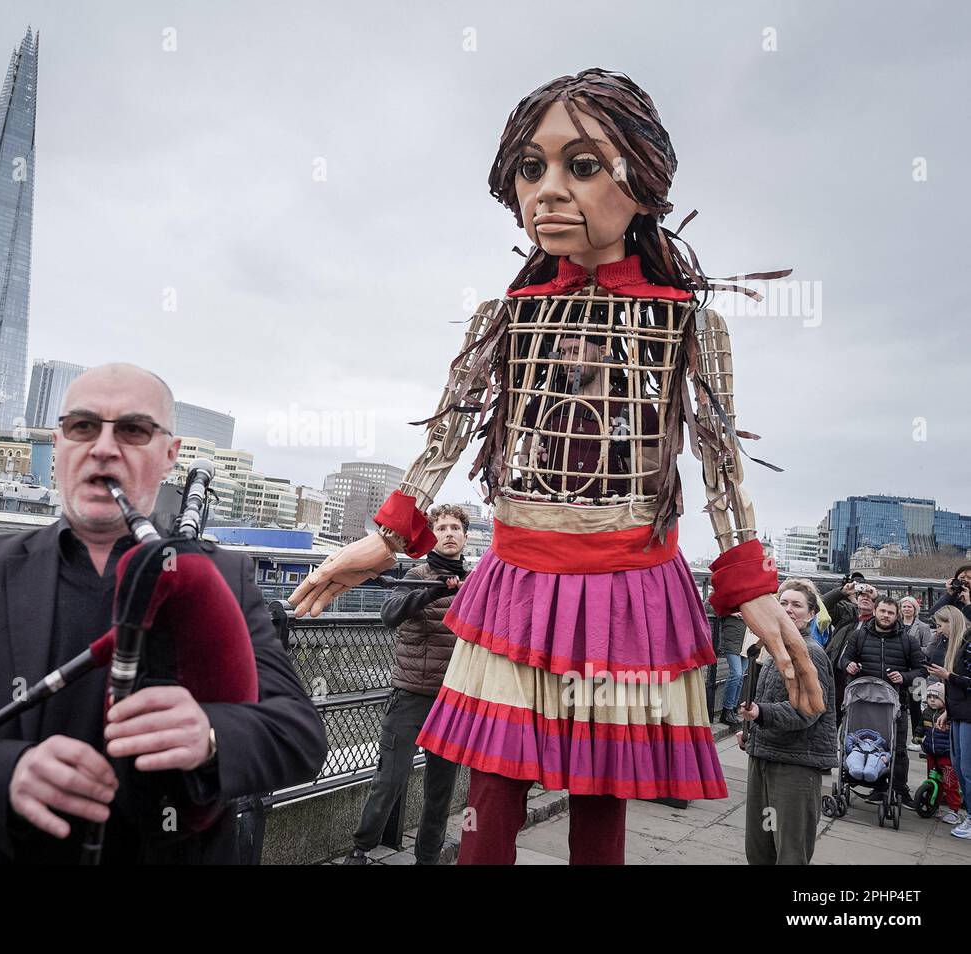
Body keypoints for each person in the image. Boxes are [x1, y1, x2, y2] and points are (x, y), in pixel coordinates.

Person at [290, 68, 823, 866]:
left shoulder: (686, 323)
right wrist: (388, 538)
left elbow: (718, 457)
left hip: (628, 583)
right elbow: (448, 434)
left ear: (641, 180)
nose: (547, 190)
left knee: (600, 794)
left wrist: (748, 582)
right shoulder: (503, 315)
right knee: (491, 789)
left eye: (582, 165)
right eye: (531, 168)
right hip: (519, 573)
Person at [0, 363, 327, 863]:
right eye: (82, 427)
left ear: (169, 456)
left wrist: (209, 736)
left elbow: (296, 735)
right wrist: (8, 775)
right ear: (59, 446)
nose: (103, 447)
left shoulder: (222, 575)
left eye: (133, 430)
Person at [344, 505, 468, 865]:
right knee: (389, 782)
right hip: (410, 697)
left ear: (464, 535)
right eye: (441, 527)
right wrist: (430, 591)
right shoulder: (416, 573)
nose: (448, 533)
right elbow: (389, 615)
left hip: (450, 704)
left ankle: (427, 858)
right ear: (433, 534)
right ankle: (360, 851)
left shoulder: (474, 583)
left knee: (439, 793)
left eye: (455, 527)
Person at [737, 580, 836, 864]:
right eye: (783, 603)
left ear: (812, 613)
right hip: (764, 757)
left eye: (796, 605)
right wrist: (752, 730)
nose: (788, 609)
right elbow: (766, 700)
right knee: (760, 850)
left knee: (790, 852)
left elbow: (808, 710)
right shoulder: (774, 649)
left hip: (794, 767)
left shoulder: (810, 652)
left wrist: (761, 713)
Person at [838, 596, 928, 807]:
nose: (886, 616)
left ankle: (898, 788)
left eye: (890, 613)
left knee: (897, 749)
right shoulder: (859, 636)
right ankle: (877, 787)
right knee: (863, 744)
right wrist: (849, 665)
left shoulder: (908, 641)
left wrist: (904, 677)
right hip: (863, 701)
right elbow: (844, 659)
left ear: (896, 615)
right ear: (876, 611)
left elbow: (921, 670)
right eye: (883, 611)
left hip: (895, 702)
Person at [927, 604, 971, 837]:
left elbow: (966, 682)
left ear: (951, 623)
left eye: (941, 624)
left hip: (967, 715)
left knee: (966, 767)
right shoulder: (952, 646)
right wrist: (948, 712)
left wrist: (948, 676)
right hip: (958, 713)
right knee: (959, 764)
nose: (938, 629)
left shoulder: (966, 645)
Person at [823, 580, 876, 719]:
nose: (865, 598)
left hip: (860, 677)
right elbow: (823, 604)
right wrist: (841, 592)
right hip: (837, 673)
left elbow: (894, 619)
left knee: (855, 718)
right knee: (831, 716)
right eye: (862, 595)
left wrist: (877, 596)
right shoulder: (847, 613)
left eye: (870, 597)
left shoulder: (879, 623)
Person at [918, 682, 963, 824]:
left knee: (950, 782)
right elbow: (920, 726)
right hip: (931, 751)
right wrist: (918, 735)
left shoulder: (949, 716)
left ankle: (954, 810)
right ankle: (933, 804)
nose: (932, 700)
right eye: (929, 697)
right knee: (933, 779)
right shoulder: (926, 713)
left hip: (946, 753)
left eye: (936, 697)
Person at [899, 596, 934, 748]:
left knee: (916, 705)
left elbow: (929, 649)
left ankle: (917, 738)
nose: (906, 609)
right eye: (904, 607)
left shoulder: (923, 627)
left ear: (915, 609)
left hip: (917, 672)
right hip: (900, 670)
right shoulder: (897, 624)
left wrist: (913, 648)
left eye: (909, 607)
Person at [716, 612, 748, 728]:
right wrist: (731, 612)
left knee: (741, 676)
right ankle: (726, 710)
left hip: (746, 640)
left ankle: (733, 709)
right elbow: (711, 606)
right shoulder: (730, 596)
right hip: (732, 637)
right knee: (736, 674)